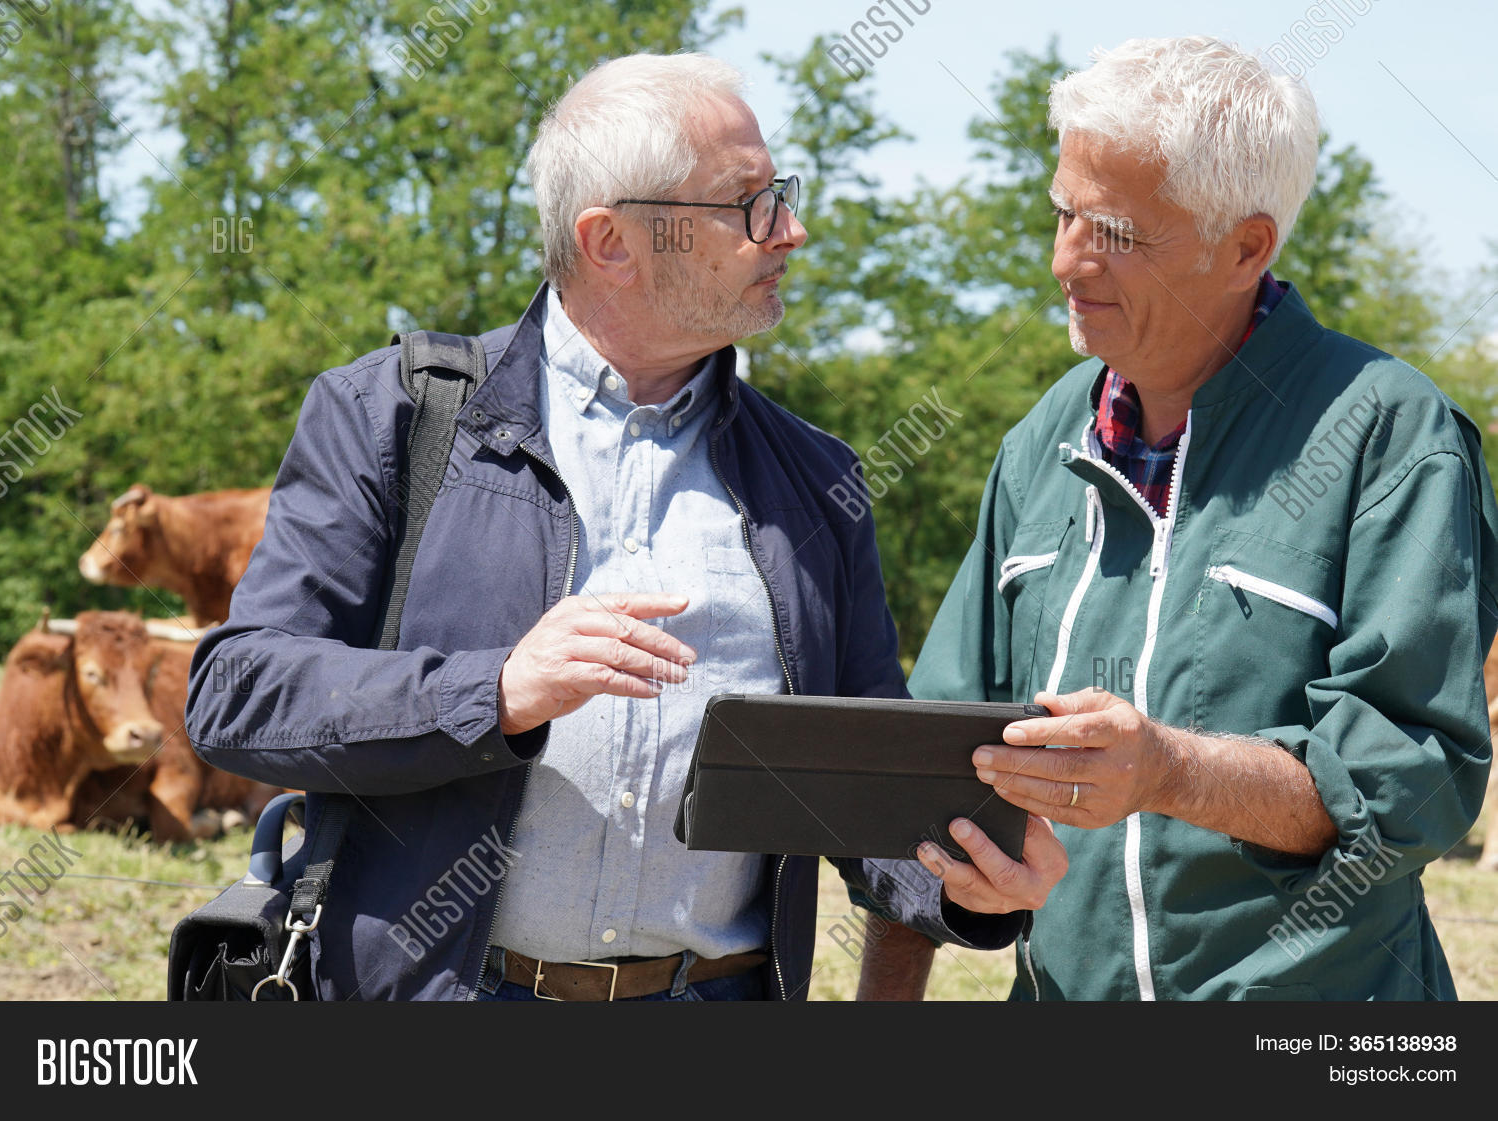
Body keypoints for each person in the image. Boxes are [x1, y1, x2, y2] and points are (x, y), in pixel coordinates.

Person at [184, 52, 1061, 1002]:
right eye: (751, 203)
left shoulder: (816, 479)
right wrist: (501, 690)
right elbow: (241, 692)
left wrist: (969, 880)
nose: (792, 231)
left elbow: (860, 785)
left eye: (783, 196)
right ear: (610, 242)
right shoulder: (390, 417)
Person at [861, 35, 1498, 1000]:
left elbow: (1416, 779)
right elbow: (928, 766)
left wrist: (1169, 771)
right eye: (1061, 213)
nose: (1063, 261)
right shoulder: (1041, 440)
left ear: (1246, 245)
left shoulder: (1391, 435)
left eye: (1113, 231)